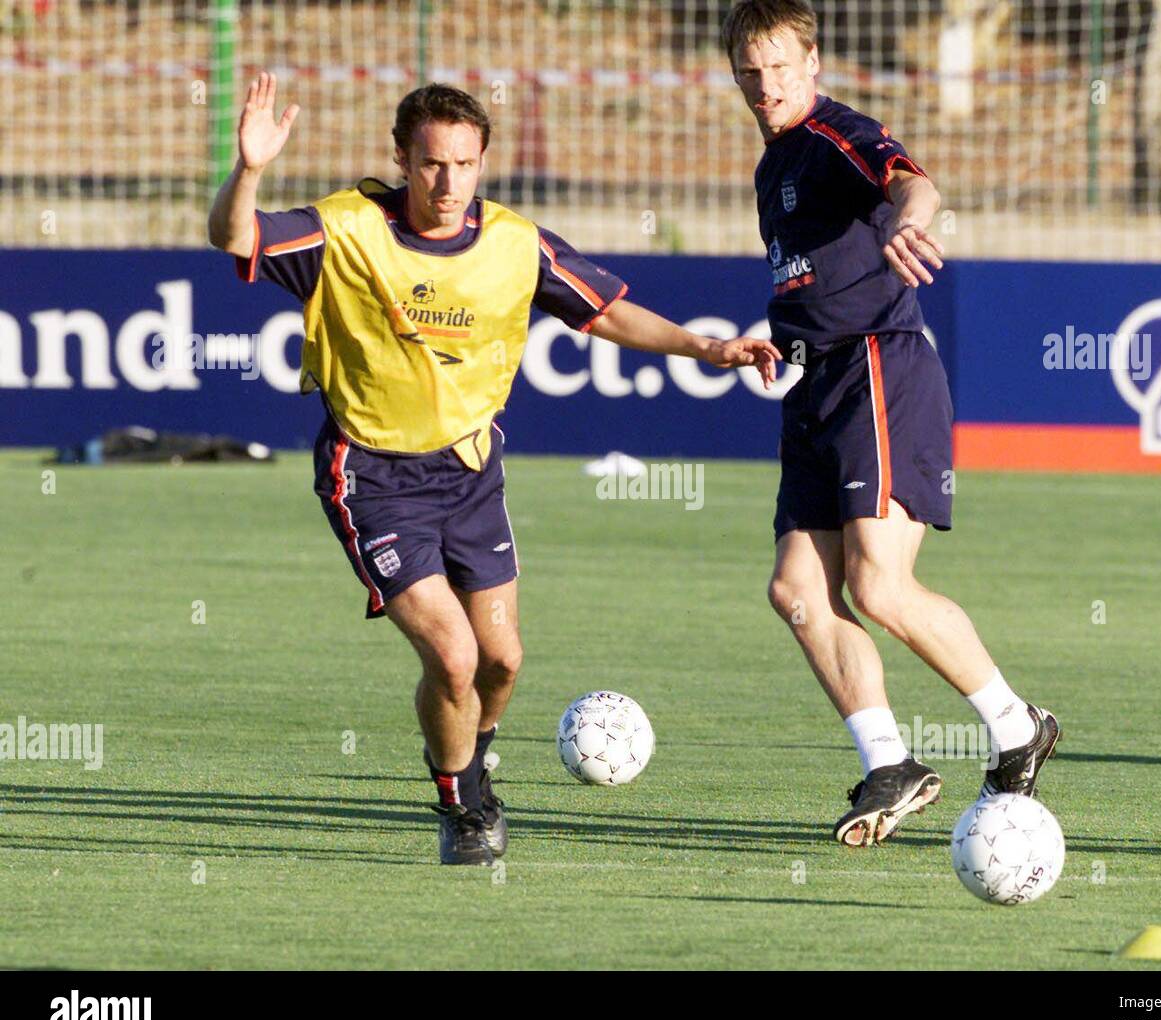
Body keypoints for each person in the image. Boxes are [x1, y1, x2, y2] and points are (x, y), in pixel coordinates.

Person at [208, 73, 781, 865]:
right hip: (371, 476)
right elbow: (234, 238)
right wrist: (250, 170)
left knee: (501, 662)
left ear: (484, 162)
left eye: (465, 165)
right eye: (433, 164)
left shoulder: (515, 243)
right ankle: (459, 803)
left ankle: (471, 757)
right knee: (453, 657)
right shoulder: (346, 231)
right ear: (403, 158)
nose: (448, 183)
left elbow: (605, 309)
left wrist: (706, 346)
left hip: (470, 472)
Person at [722, 0, 1060, 846]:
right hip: (813, 383)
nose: (766, 85)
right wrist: (780, 338)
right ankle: (891, 764)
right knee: (797, 593)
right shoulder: (773, 166)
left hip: (877, 367)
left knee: (878, 584)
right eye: (750, 71)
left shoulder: (838, 135)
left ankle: (1018, 726)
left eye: (781, 67)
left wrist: (912, 220)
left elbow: (914, 182)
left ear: (813, 63)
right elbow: (812, 276)